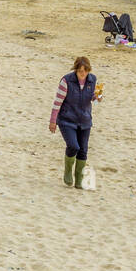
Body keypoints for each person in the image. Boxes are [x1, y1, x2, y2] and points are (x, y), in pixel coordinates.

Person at [49, 56, 101, 189]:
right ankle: (67, 171)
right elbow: (57, 102)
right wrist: (53, 121)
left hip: (85, 121)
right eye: (80, 70)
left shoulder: (92, 80)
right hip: (67, 120)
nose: (83, 73)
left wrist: (98, 97)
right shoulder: (66, 81)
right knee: (74, 146)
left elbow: (93, 100)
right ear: (75, 70)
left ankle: (79, 179)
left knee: (83, 150)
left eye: (85, 70)